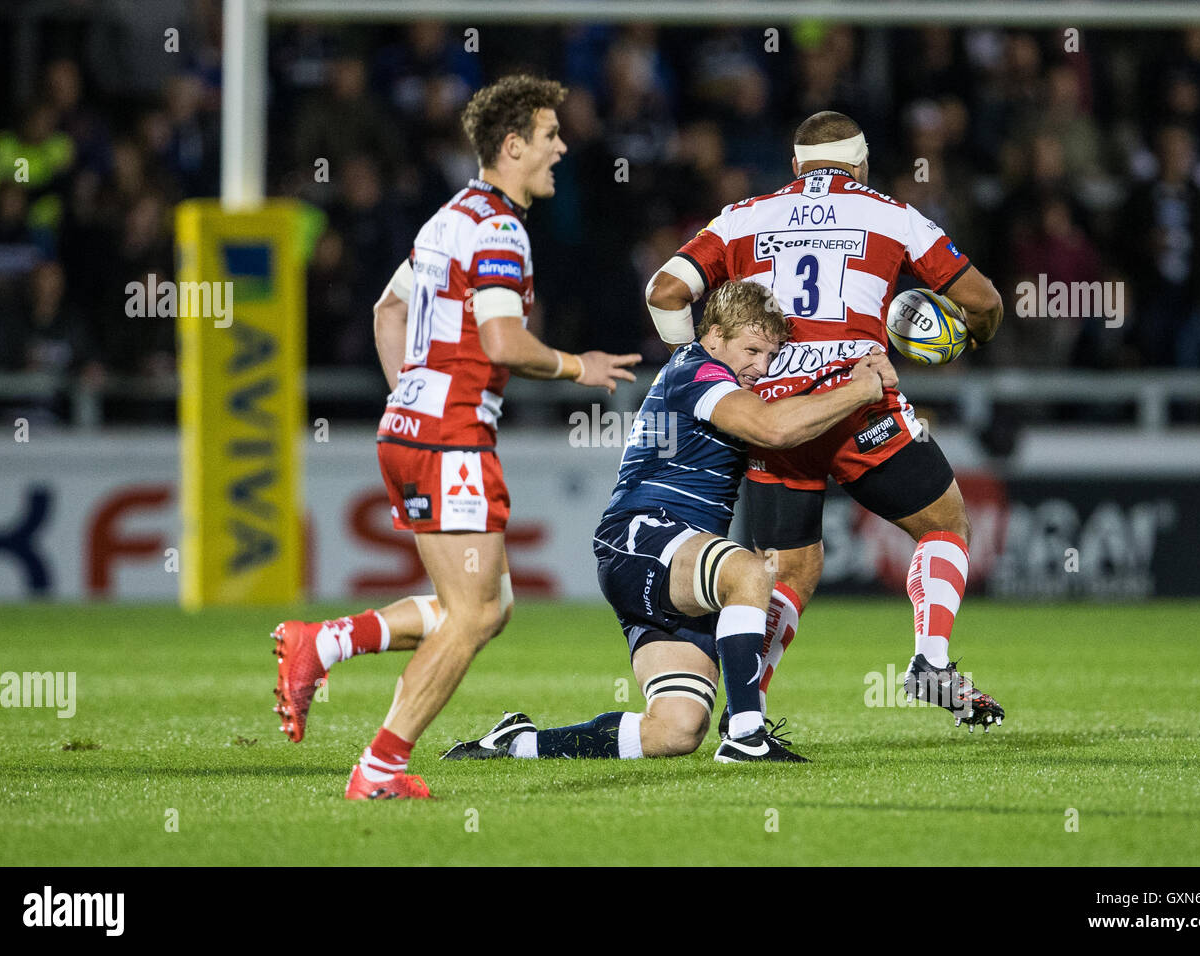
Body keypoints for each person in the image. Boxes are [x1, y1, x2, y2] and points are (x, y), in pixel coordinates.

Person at [271, 75, 641, 799]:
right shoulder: (501, 230)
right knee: (473, 614)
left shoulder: (447, 220)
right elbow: (503, 342)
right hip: (451, 438)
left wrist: (410, 396)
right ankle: (378, 768)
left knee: (485, 605)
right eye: (548, 136)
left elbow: (386, 311)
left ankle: (324, 642)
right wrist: (577, 364)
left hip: (410, 430)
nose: (562, 148)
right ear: (512, 146)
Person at [645, 111, 1005, 735]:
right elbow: (984, 301)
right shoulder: (892, 215)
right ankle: (931, 660)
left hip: (775, 415)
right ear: (861, 164)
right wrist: (967, 339)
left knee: (791, 572)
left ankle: (745, 706)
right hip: (855, 403)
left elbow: (665, 292)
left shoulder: (743, 216)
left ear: (795, 167)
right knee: (944, 523)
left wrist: (699, 370)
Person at [443, 280, 897, 763]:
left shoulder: (722, 376)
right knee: (748, 572)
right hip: (642, 533)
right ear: (715, 335)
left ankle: (518, 744)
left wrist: (846, 377)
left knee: (676, 730)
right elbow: (775, 427)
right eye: (752, 350)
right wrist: (863, 388)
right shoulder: (696, 371)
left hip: (671, 560)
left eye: (769, 356)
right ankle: (747, 735)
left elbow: (788, 416)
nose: (760, 367)